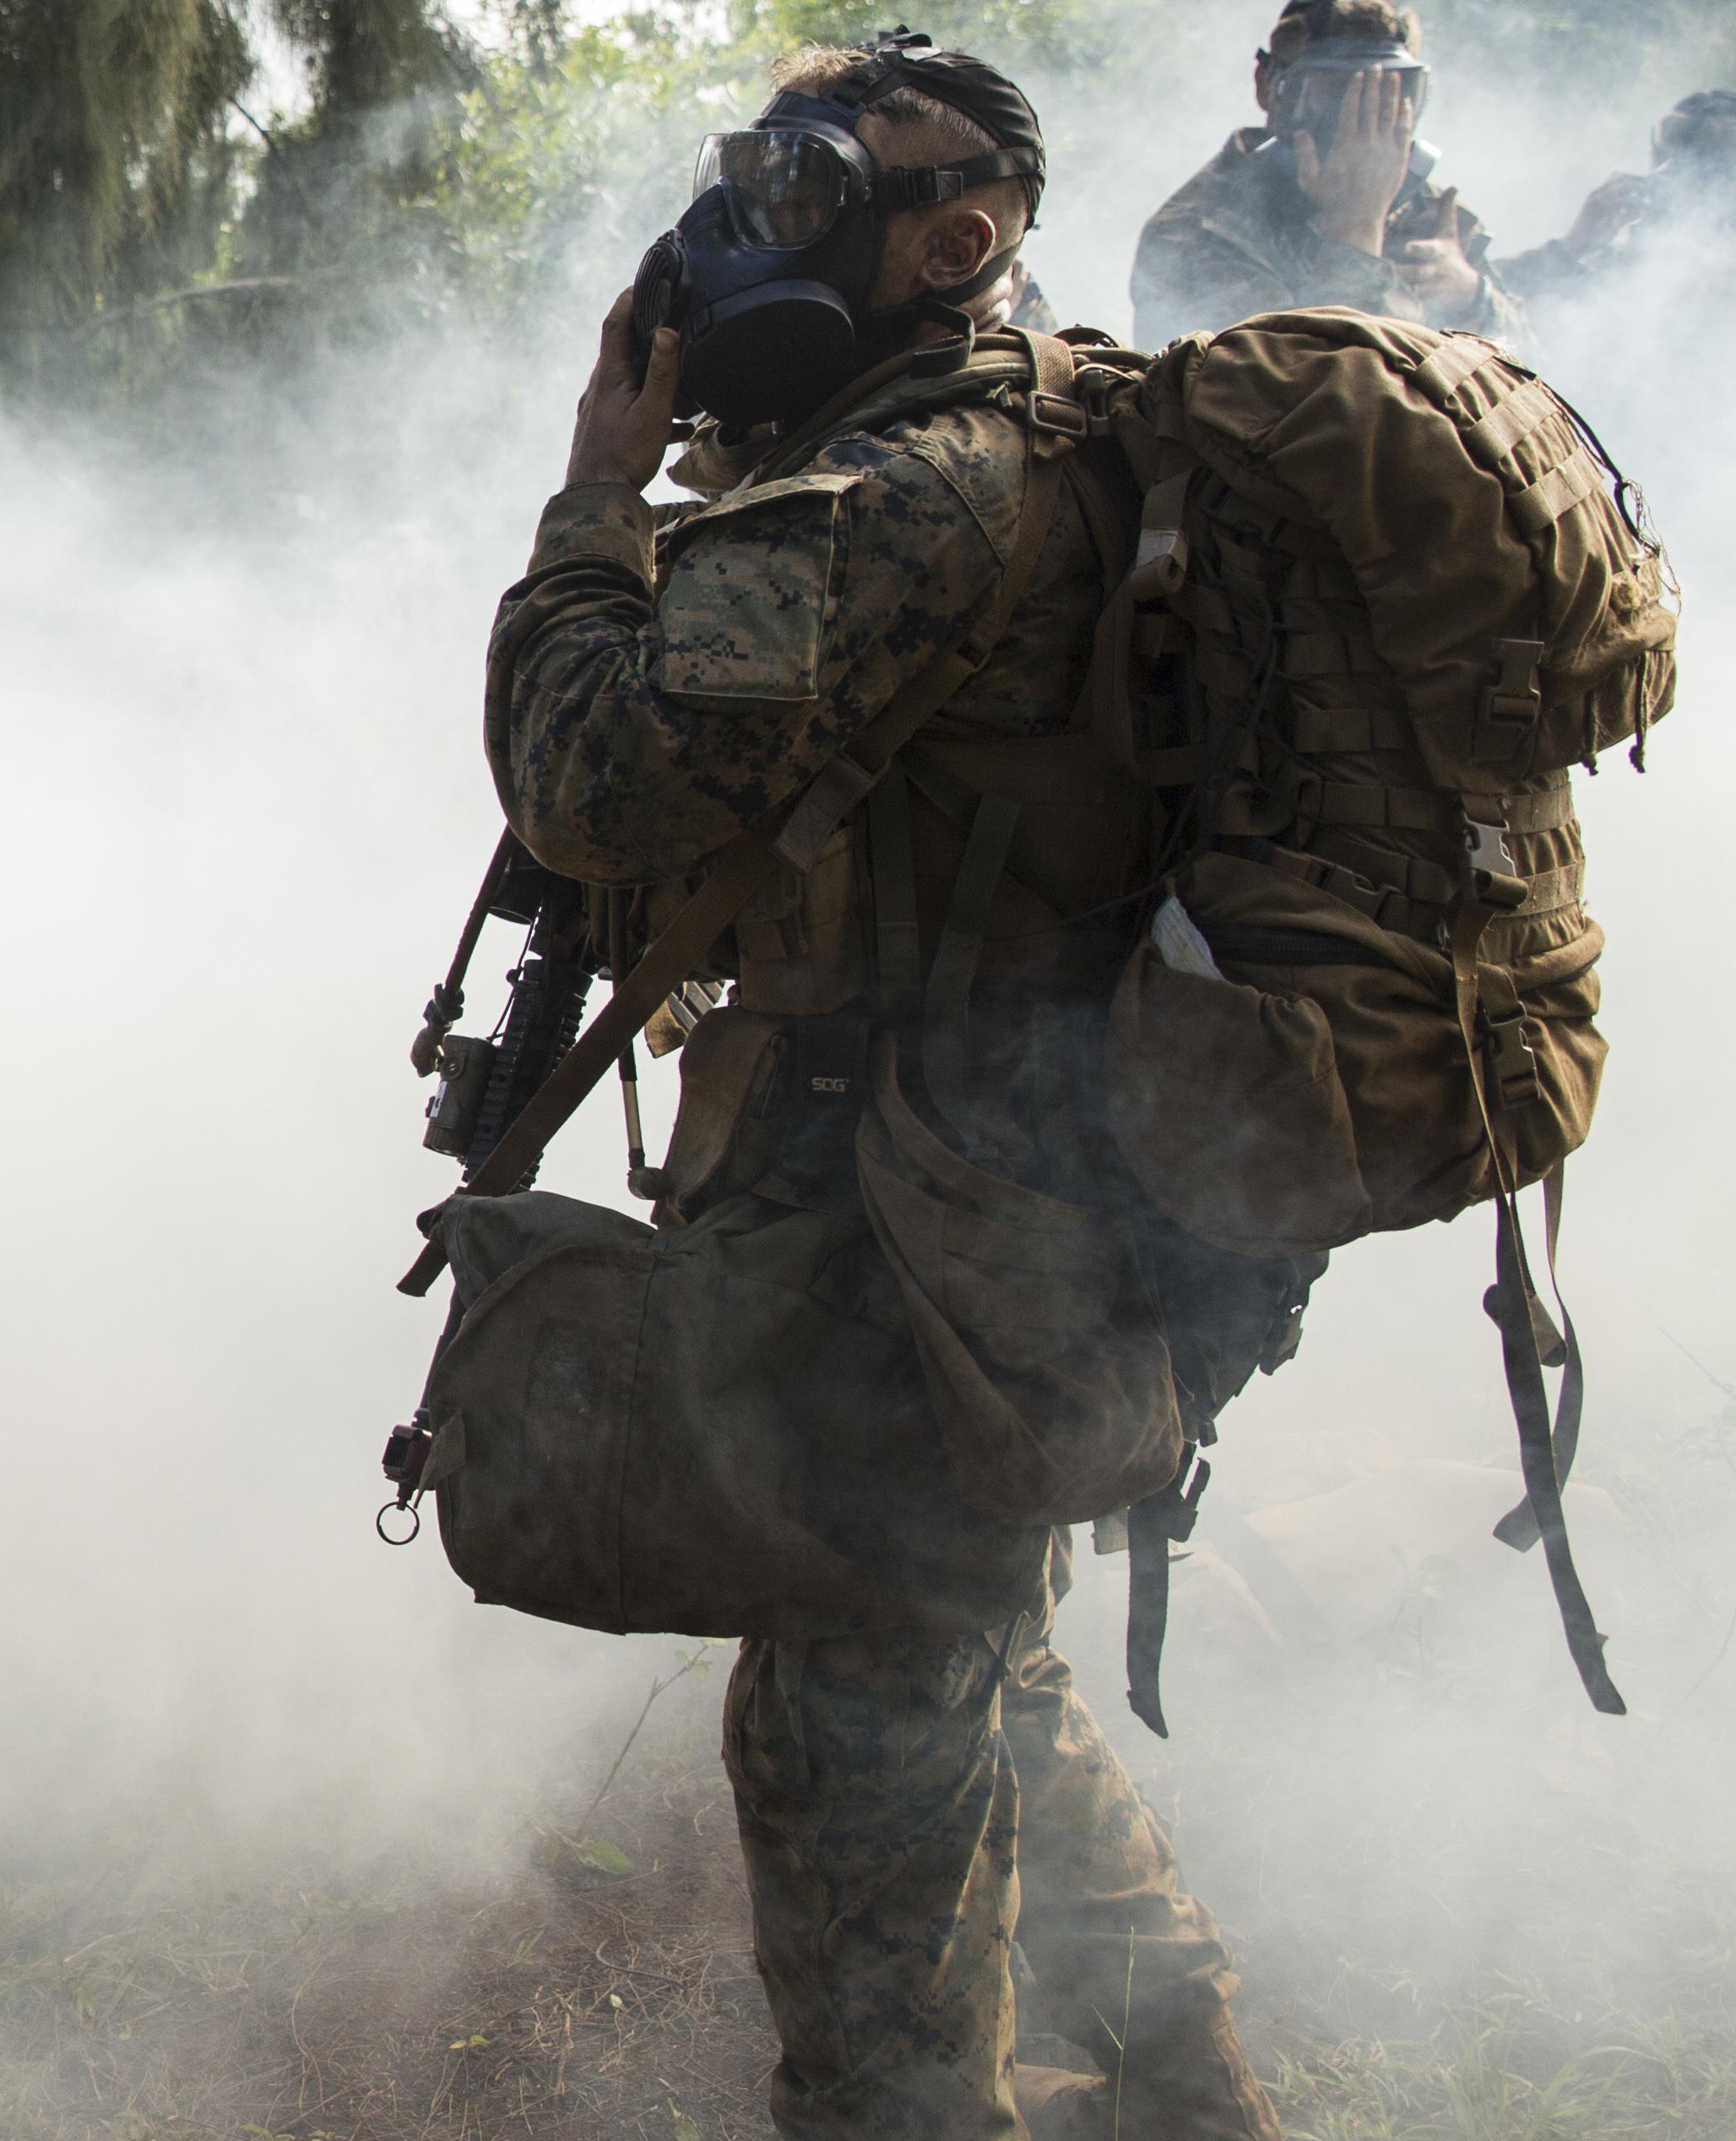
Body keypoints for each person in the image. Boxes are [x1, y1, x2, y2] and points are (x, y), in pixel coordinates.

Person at [489, 34, 1288, 2141]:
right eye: (755, 174)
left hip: (903, 1234)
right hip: (1038, 1209)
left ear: (959, 239)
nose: (757, 225)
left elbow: (595, 776)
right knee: (971, 1661)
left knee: (856, 1751)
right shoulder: (1062, 431)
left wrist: (590, 500)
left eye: (819, 184)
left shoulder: (907, 482)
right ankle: (1197, 2094)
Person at [1130, 0, 1519, 348]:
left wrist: (1473, 299)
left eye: (1386, 91)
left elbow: (1538, 384)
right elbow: (1324, 402)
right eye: (1330, 93)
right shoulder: (1196, 232)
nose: (1357, 119)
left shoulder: (1433, 215)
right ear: (1267, 86)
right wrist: (1356, 229)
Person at [1496, 90, 1736, 340]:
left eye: (1723, 187)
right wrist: (1571, 247)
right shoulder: (1613, 269)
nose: (1702, 208)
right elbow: (1481, 316)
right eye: (1685, 186)